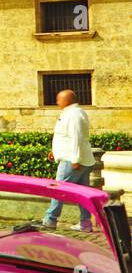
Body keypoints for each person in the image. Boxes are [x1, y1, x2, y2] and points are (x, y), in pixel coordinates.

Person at [43, 89, 95, 232]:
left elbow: (76, 137)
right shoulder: (75, 112)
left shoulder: (73, 114)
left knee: (58, 190)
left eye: (59, 99)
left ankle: (50, 219)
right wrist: (55, 151)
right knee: (82, 194)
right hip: (77, 158)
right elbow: (65, 136)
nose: (57, 102)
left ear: (67, 100)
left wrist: (75, 159)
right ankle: (85, 223)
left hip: (71, 161)